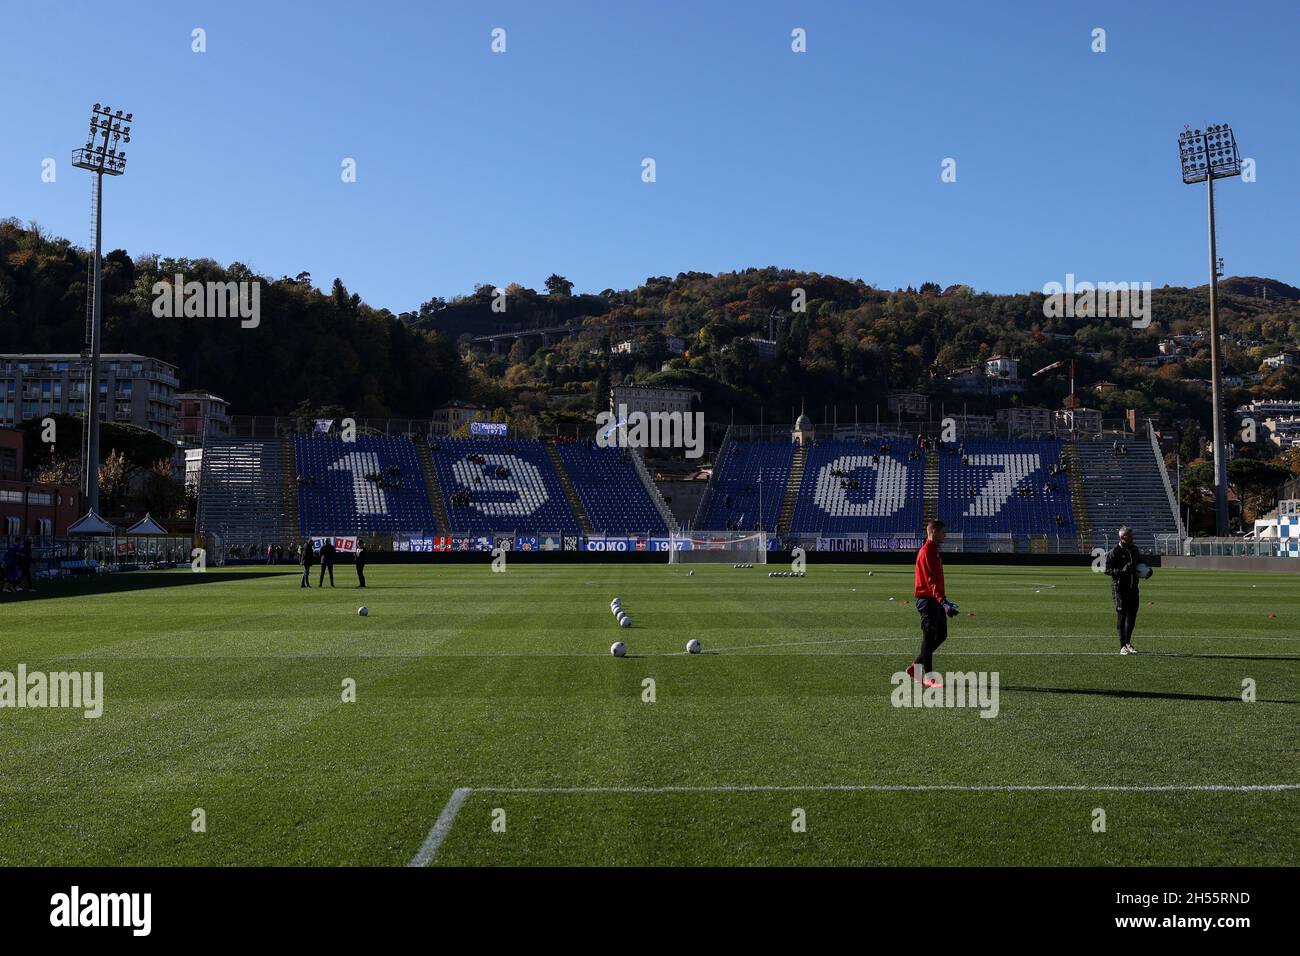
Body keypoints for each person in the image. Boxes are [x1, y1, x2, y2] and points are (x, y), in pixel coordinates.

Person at [908, 518, 959, 687]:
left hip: (935, 600)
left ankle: (915, 666)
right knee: (928, 639)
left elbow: (935, 580)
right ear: (934, 531)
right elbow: (931, 580)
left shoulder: (933, 550)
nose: (946, 535)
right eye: (943, 532)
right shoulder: (928, 551)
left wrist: (944, 601)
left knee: (942, 635)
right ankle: (928, 677)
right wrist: (943, 602)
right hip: (928, 601)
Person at [1104, 525, 1142, 655]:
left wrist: (1146, 571)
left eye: (1132, 535)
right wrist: (1121, 571)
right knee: (1122, 616)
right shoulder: (1115, 552)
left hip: (1133, 588)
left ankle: (1127, 642)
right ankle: (1122, 646)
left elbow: (1139, 564)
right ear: (1122, 538)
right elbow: (1106, 569)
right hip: (1119, 589)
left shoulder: (1135, 550)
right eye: (1129, 536)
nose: (1132, 538)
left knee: (1132, 616)